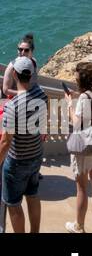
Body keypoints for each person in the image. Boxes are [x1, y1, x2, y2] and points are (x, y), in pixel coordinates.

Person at [1, 55, 47, 233]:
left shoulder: (13, 106)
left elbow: (6, 141)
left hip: (17, 161)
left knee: (13, 204)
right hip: (36, 155)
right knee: (33, 195)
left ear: (14, 73)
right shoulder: (41, 95)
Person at [64, 62, 92, 233]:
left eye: (77, 78)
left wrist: (69, 104)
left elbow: (76, 122)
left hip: (82, 146)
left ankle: (79, 226)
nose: (75, 81)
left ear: (83, 80)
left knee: (81, 186)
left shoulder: (83, 98)